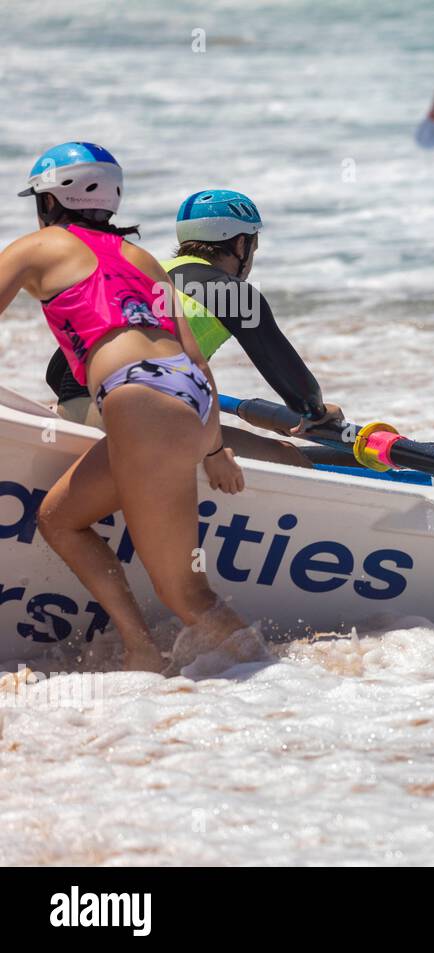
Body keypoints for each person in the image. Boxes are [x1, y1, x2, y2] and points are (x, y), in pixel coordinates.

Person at [0, 142, 257, 671]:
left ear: (48, 202)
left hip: (138, 401)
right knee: (59, 519)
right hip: (183, 399)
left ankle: (278, 683)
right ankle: (142, 652)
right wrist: (214, 450)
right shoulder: (143, 259)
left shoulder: (36, 246)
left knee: (186, 594)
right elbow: (194, 361)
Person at [47, 189, 342, 466]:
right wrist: (315, 411)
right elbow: (294, 384)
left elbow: (56, 371)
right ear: (240, 244)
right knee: (289, 458)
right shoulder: (231, 292)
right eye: (254, 244)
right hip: (141, 424)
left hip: (74, 414)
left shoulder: (139, 272)